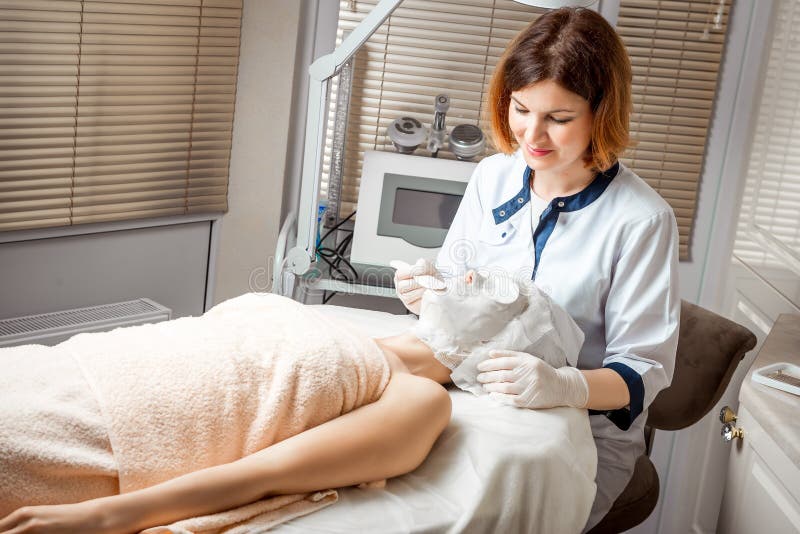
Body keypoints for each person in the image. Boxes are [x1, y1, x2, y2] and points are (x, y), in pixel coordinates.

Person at [394, 7, 680, 532]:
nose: (532, 134)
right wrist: (430, 294)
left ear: (603, 113)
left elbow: (645, 371)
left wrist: (564, 386)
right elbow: (461, 290)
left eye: (560, 118)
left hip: (579, 431)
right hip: (476, 399)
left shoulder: (642, 220)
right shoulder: (492, 178)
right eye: (521, 109)